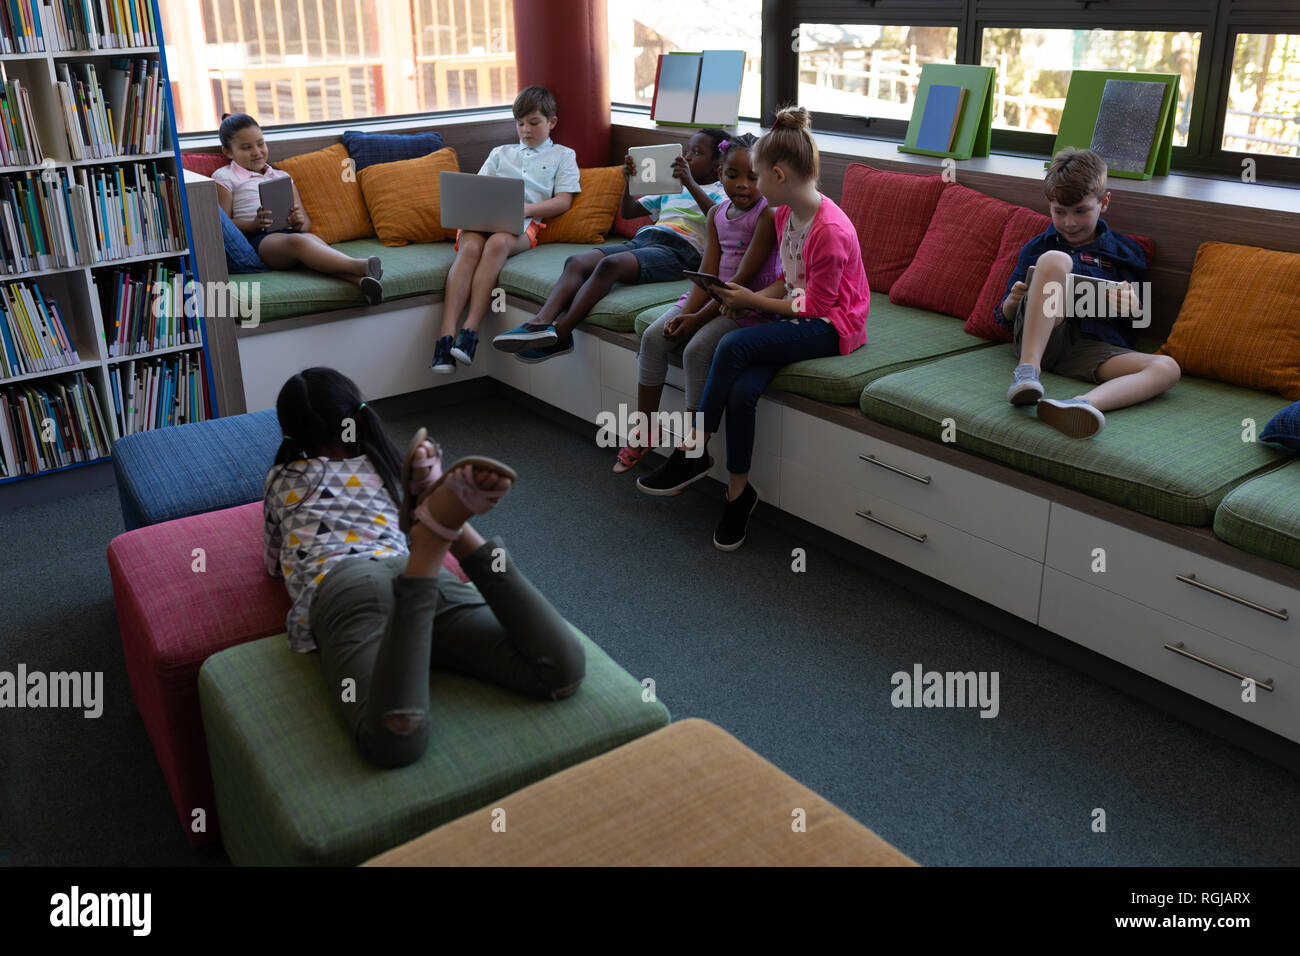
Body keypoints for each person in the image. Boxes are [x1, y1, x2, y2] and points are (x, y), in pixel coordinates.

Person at [262, 367, 584, 768]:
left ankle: (432, 541)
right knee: (562, 671)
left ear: (289, 433)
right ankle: (450, 528)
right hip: (408, 568)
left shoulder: (281, 479)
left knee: (394, 739)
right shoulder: (382, 466)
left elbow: (273, 564)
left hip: (345, 586)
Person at [637, 106, 869, 552]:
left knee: (733, 346)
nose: (755, 186)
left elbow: (816, 305)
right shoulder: (784, 215)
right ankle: (739, 495)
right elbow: (787, 279)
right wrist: (745, 297)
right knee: (742, 392)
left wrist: (750, 301)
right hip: (796, 314)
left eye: (758, 176)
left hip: (833, 325)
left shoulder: (830, 230)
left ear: (778, 176)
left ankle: (693, 449)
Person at [615, 133, 780, 473]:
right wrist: (686, 312)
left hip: (747, 306)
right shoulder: (716, 213)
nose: (743, 185)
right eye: (733, 175)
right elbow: (708, 273)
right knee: (654, 336)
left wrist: (695, 320)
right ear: (720, 174)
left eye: (753, 177)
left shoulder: (766, 216)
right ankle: (646, 429)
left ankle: (692, 450)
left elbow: (740, 282)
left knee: (696, 350)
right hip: (713, 297)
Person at [491, 128, 729, 363]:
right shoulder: (672, 186)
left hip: (682, 251)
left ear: (717, 163)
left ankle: (562, 334)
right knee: (576, 261)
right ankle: (539, 323)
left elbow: (719, 221)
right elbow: (628, 212)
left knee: (610, 264)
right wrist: (629, 183)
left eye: (696, 153)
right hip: (646, 238)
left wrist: (689, 183)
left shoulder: (722, 192)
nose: (687, 158)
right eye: (687, 151)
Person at [1000, 147, 1180, 438]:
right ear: (1050, 206)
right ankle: (1027, 373)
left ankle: (1080, 405)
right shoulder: (1038, 247)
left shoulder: (1127, 253)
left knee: (1168, 367)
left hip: (1090, 350)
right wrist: (1011, 301)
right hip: (1041, 340)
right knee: (1055, 260)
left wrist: (1133, 306)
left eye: (1080, 211)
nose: (1069, 222)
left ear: (1104, 202)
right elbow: (1004, 317)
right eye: (1059, 212)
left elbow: (1142, 319)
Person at [433, 85, 580, 373]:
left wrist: (524, 209)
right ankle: (445, 336)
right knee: (470, 248)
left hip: (523, 224)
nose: (526, 130)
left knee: (498, 243)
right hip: (482, 219)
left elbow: (563, 201)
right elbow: (477, 188)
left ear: (552, 122)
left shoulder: (563, 155)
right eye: (520, 123)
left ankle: (470, 332)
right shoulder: (500, 153)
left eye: (534, 123)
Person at [213, 114, 384, 304]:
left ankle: (361, 282)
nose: (257, 152)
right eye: (247, 147)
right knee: (299, 242)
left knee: (313, 242)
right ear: (228, 152)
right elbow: (221, 224)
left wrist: (298, 222)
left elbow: (306, 225)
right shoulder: (225, 177)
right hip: (258, 241)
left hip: (289, 235)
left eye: (260, 144)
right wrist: (252, 225)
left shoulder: (281, 176)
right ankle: (359, 266)